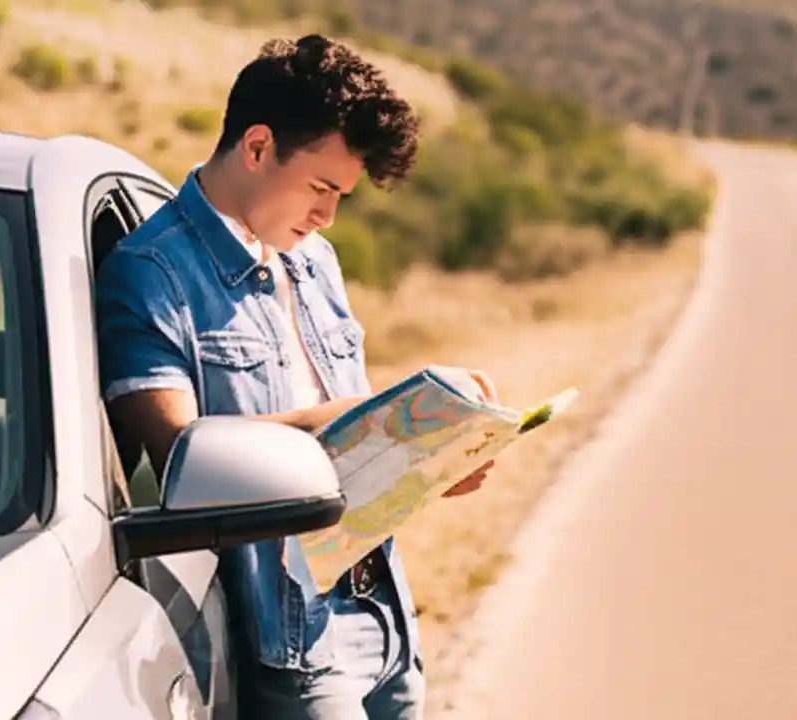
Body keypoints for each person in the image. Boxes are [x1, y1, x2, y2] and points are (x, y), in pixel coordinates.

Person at [95, 34, 496, 719]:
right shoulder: (151, 271)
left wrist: (427, 454)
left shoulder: (317, 262)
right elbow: (184, 456)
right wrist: (372, 413)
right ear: (256, 148)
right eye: (320, 188)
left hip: (384, 616)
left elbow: (345, 445)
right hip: (290, 640)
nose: (328, 215)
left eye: (342, 195)